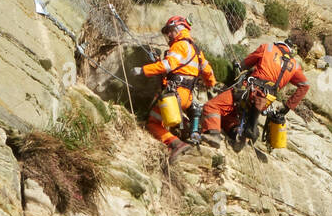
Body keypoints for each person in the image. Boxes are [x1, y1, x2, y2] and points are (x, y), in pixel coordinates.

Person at [131, 15, 215, 162]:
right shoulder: (197, 50)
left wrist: (143, 70)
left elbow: (167, 65)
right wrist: (211, 84)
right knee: (170, 119)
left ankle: (175, 143)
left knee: (152, 123)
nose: (168, 35)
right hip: (188, 98)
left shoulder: (179, 45)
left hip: (174, 95)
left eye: (170, 31)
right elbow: (208, 72)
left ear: (177, 29)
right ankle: (187, 131)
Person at [201, 39, 309, 146]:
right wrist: (286, 107)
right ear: (290, 50)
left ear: (280, 43)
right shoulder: (294, 66)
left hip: (250, 91)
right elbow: (305, 85)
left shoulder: (268, 48)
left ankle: (213, 134)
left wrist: (237, 68)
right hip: (265, 102)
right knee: (228, 114)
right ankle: (236, 131)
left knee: (212, 106)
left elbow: (244, 65)